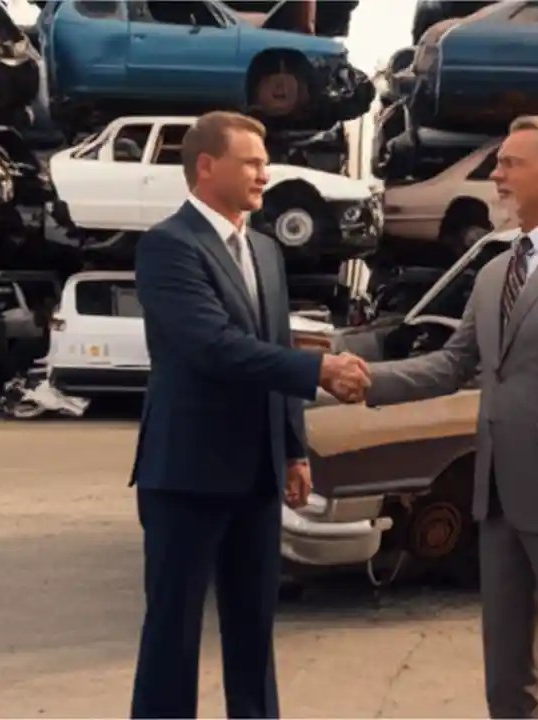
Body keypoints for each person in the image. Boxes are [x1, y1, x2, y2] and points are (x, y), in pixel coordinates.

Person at [357, 115, 538, 718]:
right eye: (499, 164)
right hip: (497, 500)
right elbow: (451, 364)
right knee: (507, 673)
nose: (497, 176)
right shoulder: (495, 272)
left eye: (511, 164)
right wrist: (363, 381)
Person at [128, 110, 370, 719]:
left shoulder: (263, 249)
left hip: (257, 472)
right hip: (185, 474)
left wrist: (291, 447)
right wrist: (320, 372)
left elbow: (274, 341)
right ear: (206, 166)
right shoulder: (167, 246)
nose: (266, 173)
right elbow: (212, 345)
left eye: (265, 161)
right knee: (174, 634)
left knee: (252, 627)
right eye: (253, 162)